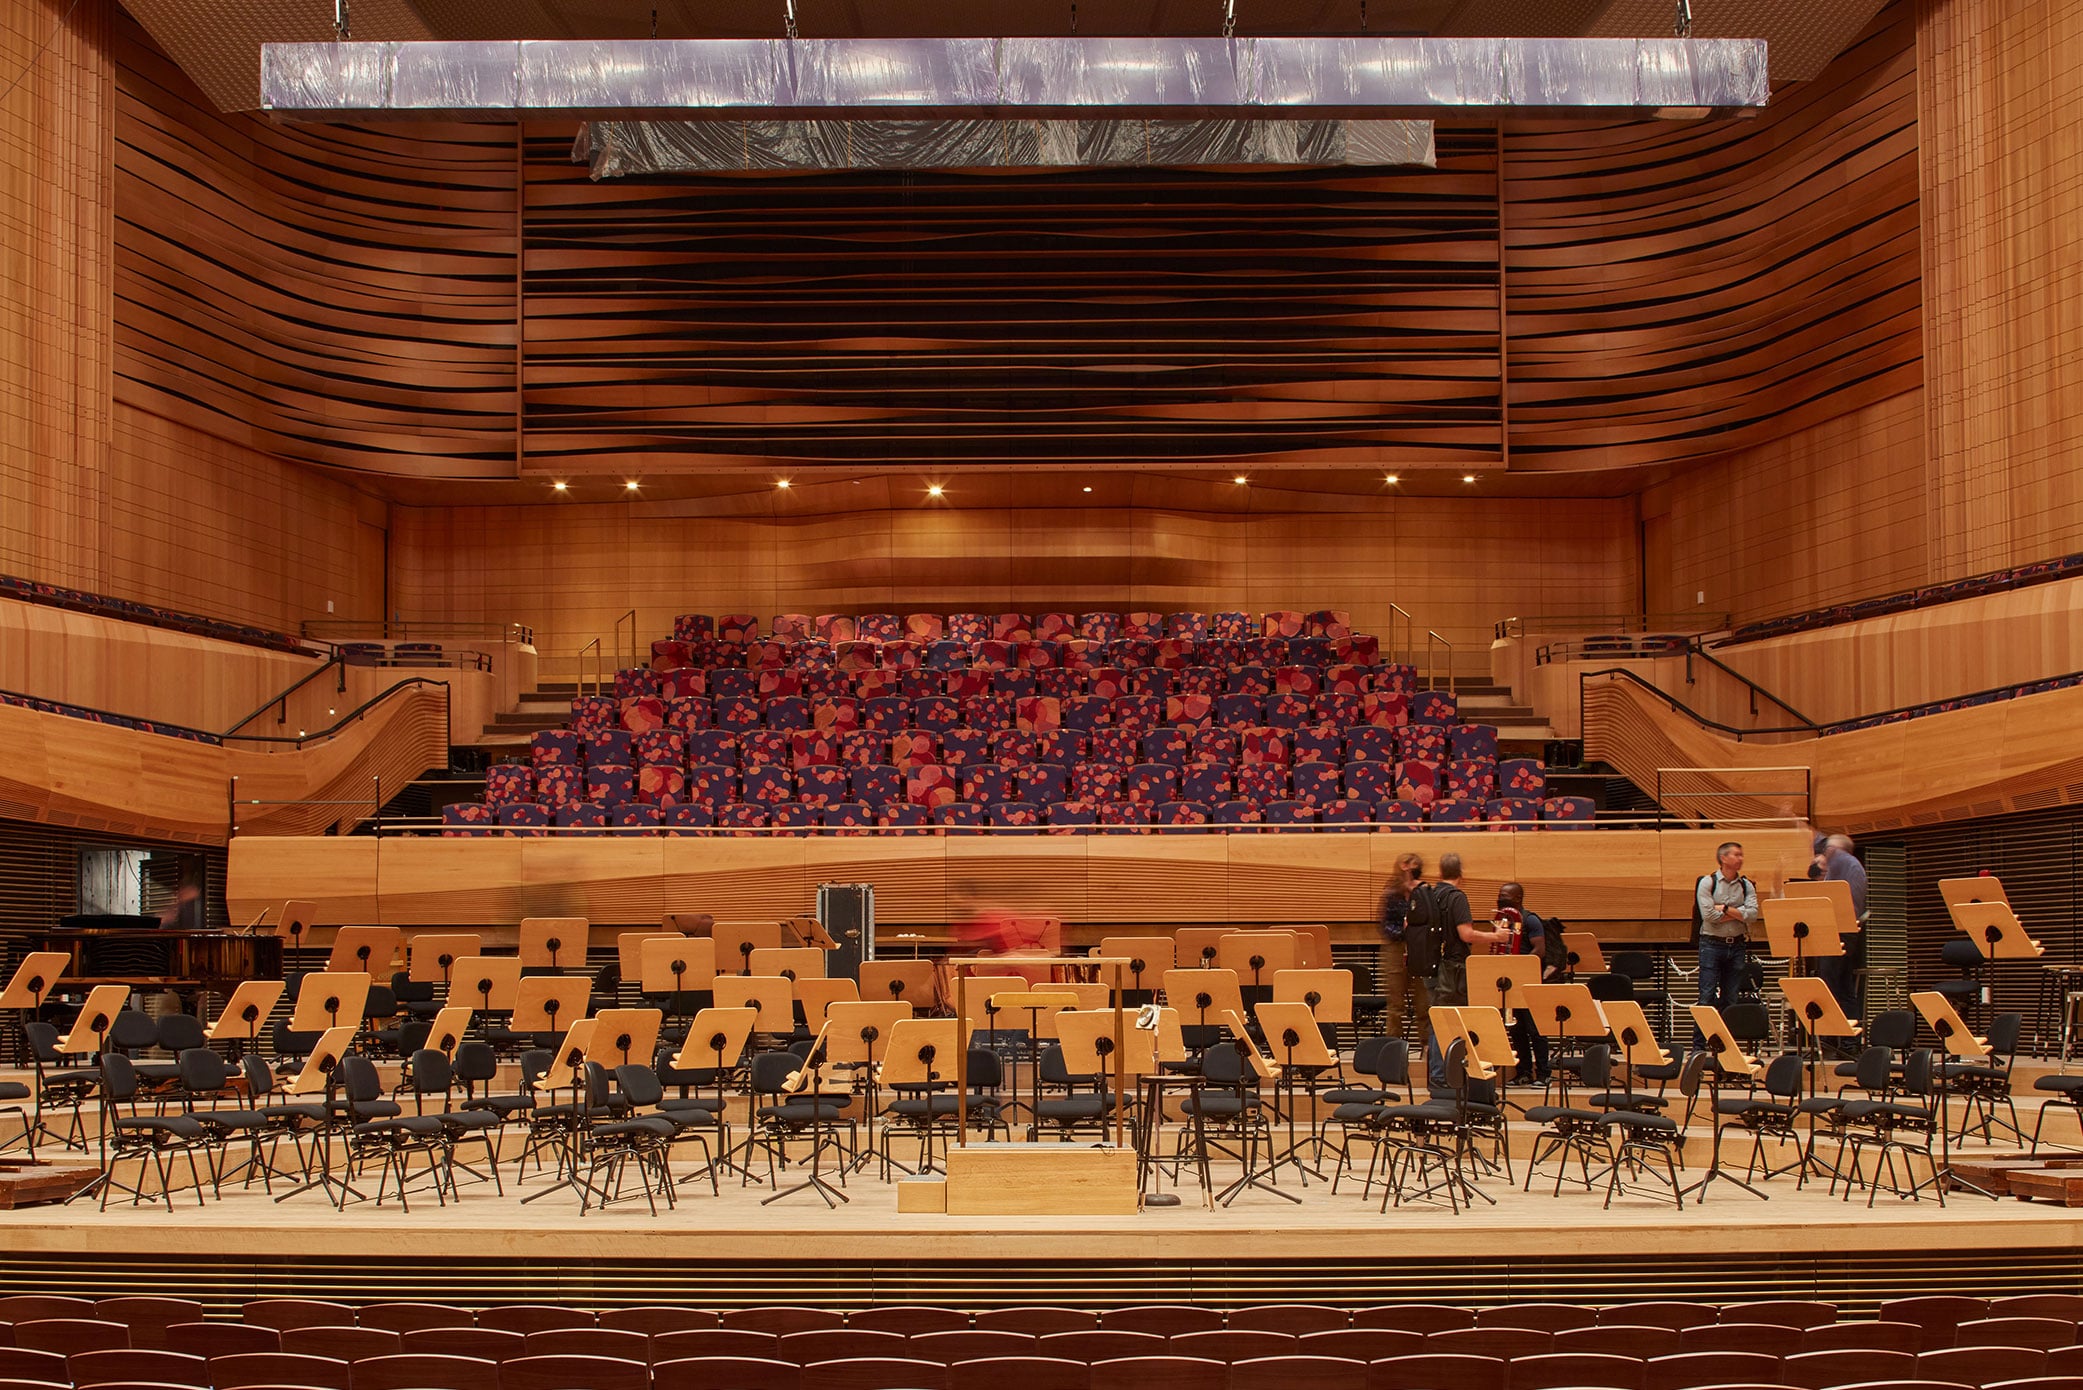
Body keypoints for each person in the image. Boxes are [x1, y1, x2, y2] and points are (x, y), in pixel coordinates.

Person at [1424, 851, 1513, 1090]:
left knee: (1437, 1020)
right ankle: (1443, 1076)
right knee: (1452, 1021)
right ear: (1461, 874)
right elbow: (1466, 935)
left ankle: (1437, 1074)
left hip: (1430, 967)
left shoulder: (1428, 895)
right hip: (1452, 969)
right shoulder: (1456, 897)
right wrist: (1497, 937)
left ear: (1440, 872)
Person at [1693, 841, 1759, 1047]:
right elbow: (1709, 916)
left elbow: (1753, 915)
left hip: (1737, 945)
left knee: (1731, 998)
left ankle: (1727, 1046)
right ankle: (1699, 1046)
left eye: (1741, 854)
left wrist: (1726, 908)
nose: (1740, 858)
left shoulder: (1746, 885)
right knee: (1706, 996)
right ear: (1723, 858)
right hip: (1711, 944)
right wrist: (1739, 913)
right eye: (1736, 854)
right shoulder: (1708, 882)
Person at [1494, 882, 1554, 1084]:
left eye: (1505, 895)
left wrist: (1518, 966)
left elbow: (1540, 950)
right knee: (1516, 1029)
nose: (1500, 898)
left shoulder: (1530, 920)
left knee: (1535, 1030)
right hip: (1510, 984)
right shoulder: (1503, 921)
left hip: (1529, 982)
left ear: (1518, 898)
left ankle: (1544, 1074)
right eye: (1500, 895)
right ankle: (1524, 1072)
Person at [1375, 852, 1426, 1047]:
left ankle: (1427, 1047)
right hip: (1396, 950)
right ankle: (1393, 1047)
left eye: (1414, 867)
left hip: (1420, 950)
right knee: (1395, 1005)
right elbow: (1385, 926)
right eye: (1407, 865)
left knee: (1423, 1003)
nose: (1409, 869)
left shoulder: (1424, 892)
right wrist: (1404, 932)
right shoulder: (1392, 893)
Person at [1819, 833, 1869, 1020]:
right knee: (1843, 987)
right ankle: (1849, 1035)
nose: (1827, 852)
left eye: (1830, 848)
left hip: (1840, 931)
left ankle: (1833, 1034)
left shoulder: (1846, 863)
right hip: (1841, 930)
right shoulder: (1844, 866)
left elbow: (1847, 905)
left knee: (1832, 987)